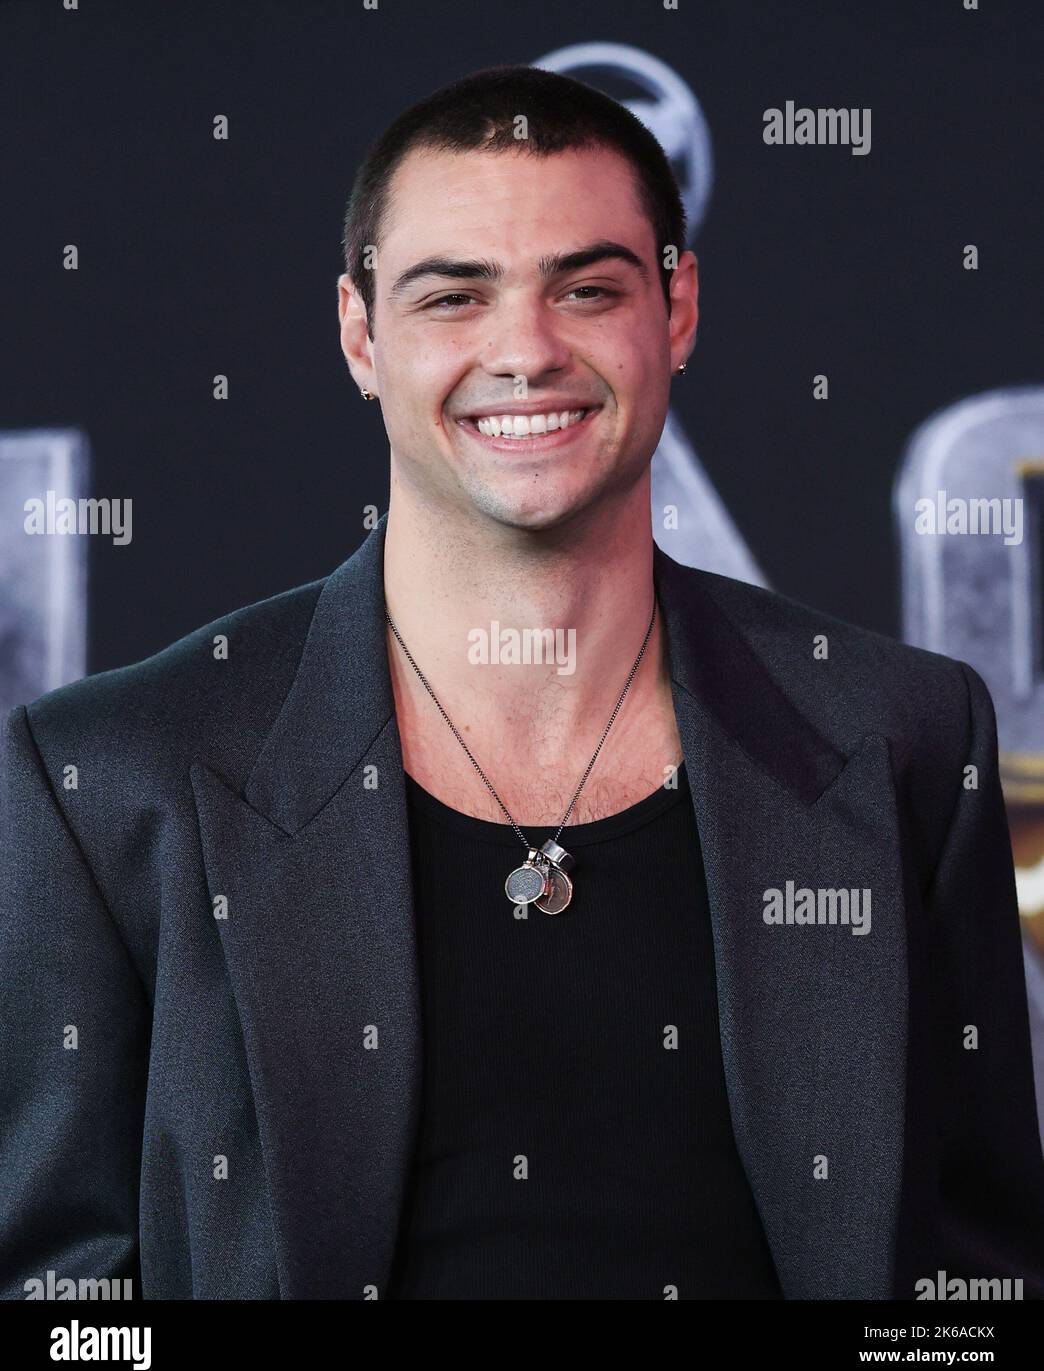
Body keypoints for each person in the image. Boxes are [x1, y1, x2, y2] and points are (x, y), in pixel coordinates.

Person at [2, 64, 1042, 1301]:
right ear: (360, 333)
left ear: (679, 308)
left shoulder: (907, 737)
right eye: (455, 297)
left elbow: (975, 1294)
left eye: (587, 288)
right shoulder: (111, 776)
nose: (526, 351)